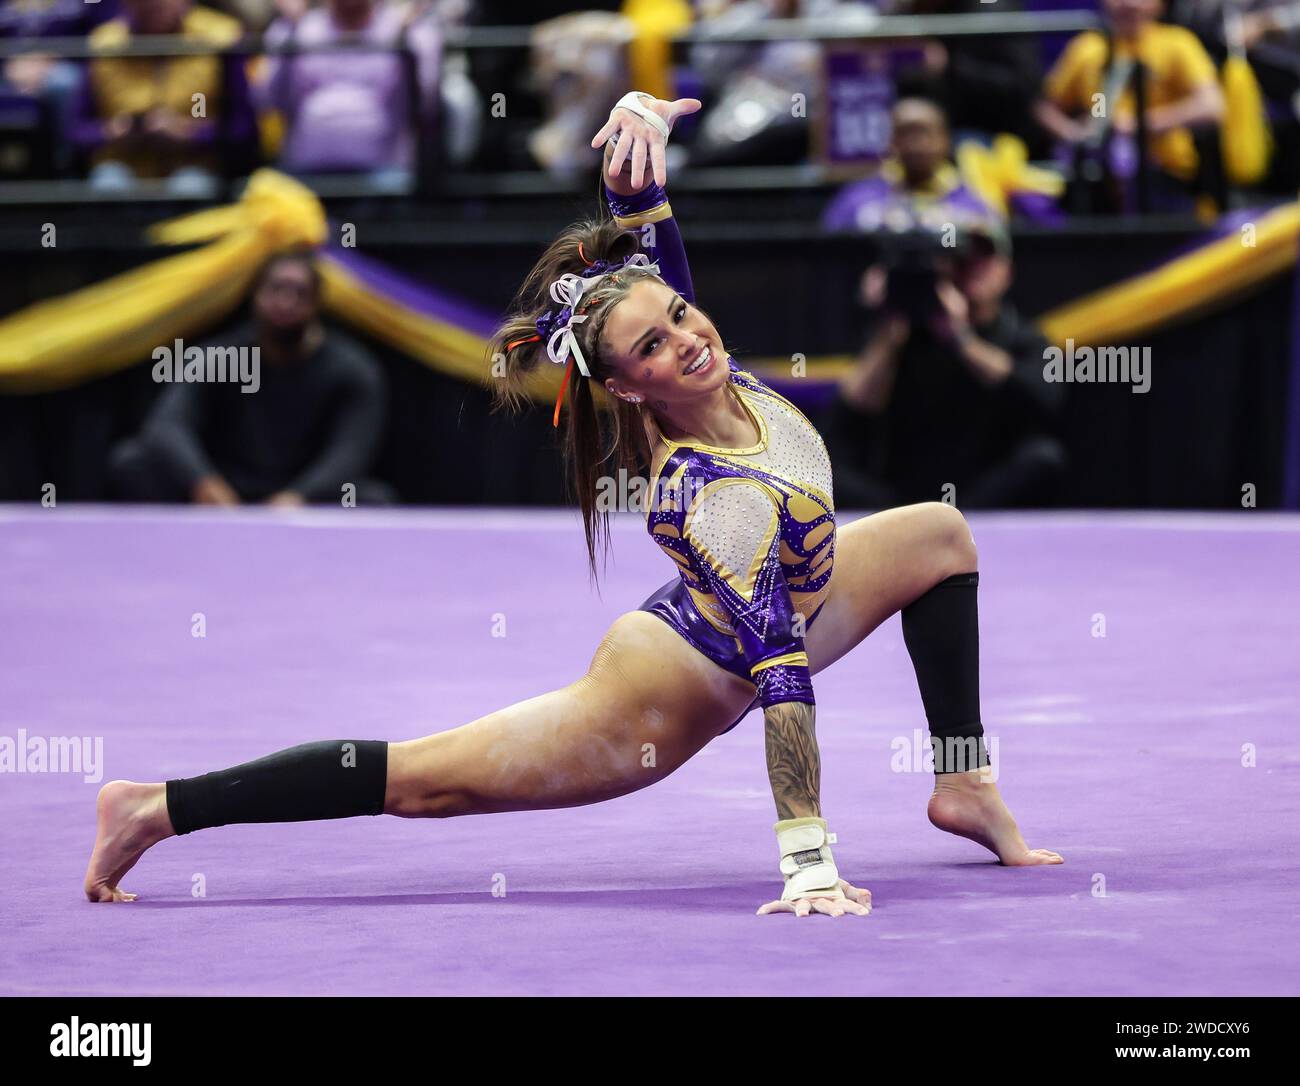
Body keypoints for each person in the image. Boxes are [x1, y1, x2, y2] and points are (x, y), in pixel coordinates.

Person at [85, 92, 1061, 918]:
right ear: (628, 388)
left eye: (679, 314)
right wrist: (807, 862)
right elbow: (784, 683)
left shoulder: (707, 368)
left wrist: (638, 163)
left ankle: (963, 782)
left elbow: (653, 272)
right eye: (652, 347)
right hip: (673, 688)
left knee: (938, 535)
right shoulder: (709, 497)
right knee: (425, 783)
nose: (685, 337)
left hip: (793, 587)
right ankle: (157, 806)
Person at [107, 249, 392, 507]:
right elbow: (167, 425)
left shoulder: (352, 369)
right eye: (276, 289)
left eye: (299, 293)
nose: (286, 302)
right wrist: (204, 482)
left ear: (317, 303)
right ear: (254, 294)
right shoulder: (220, 357)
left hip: (304, 493)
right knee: (132, 462)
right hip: (223, 489)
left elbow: (350, 452)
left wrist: (299, 496)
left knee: (372, 500)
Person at [820, 220, 1067, 510]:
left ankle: (957, 520)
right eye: (963, 258)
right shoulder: (905, 331)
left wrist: (959, 338)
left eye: (985, 258)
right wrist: (892, 326)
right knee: (826, 468)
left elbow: (1043, 398)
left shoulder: (1020, 336)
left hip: (980, 493)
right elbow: (850, 410)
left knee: (1043, 457)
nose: (973, 267)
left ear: (1007, 272)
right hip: (902, 494)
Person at [1034, 0, 1225, 209]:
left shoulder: (1176, 43)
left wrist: (1139, 125)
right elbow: (1047, 106)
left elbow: (1212, 106)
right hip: (1099, 177)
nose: (1130, 4)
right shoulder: (1089, 48)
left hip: (1165, 175)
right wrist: (1074, 133)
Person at [72, 0, 256, 193]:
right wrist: (113, 131)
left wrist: (190, 133)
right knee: (109, 184)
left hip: (195, 162)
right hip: (121, 161)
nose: (152, 4)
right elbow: (76, 130)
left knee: (188, 187)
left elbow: (243, 129)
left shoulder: (221, 37)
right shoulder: (103, 42)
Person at [821, 98, 994, 235]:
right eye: (905, 134)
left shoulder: (970, 203)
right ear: (890, 141)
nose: (917, 145)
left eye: (927, 134)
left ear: (945, 141)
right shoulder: (857, 201)